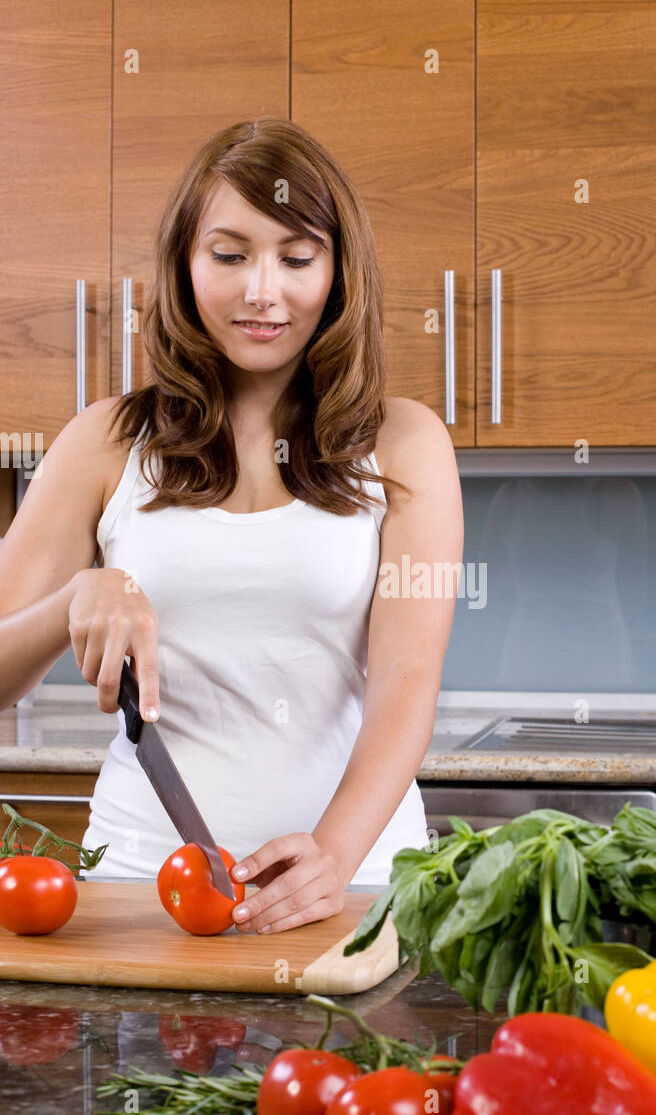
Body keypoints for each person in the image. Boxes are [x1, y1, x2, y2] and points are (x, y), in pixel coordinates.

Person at [0, 116, 463, 935]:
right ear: (184, 263)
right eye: (230, 254)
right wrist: (78, 593)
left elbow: (405, 679)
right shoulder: (105, 443)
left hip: (349, 889)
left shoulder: (404, 442)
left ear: (337, 272)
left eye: (296, 256)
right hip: (144, 890)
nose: (261, 291)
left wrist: (334, 855)